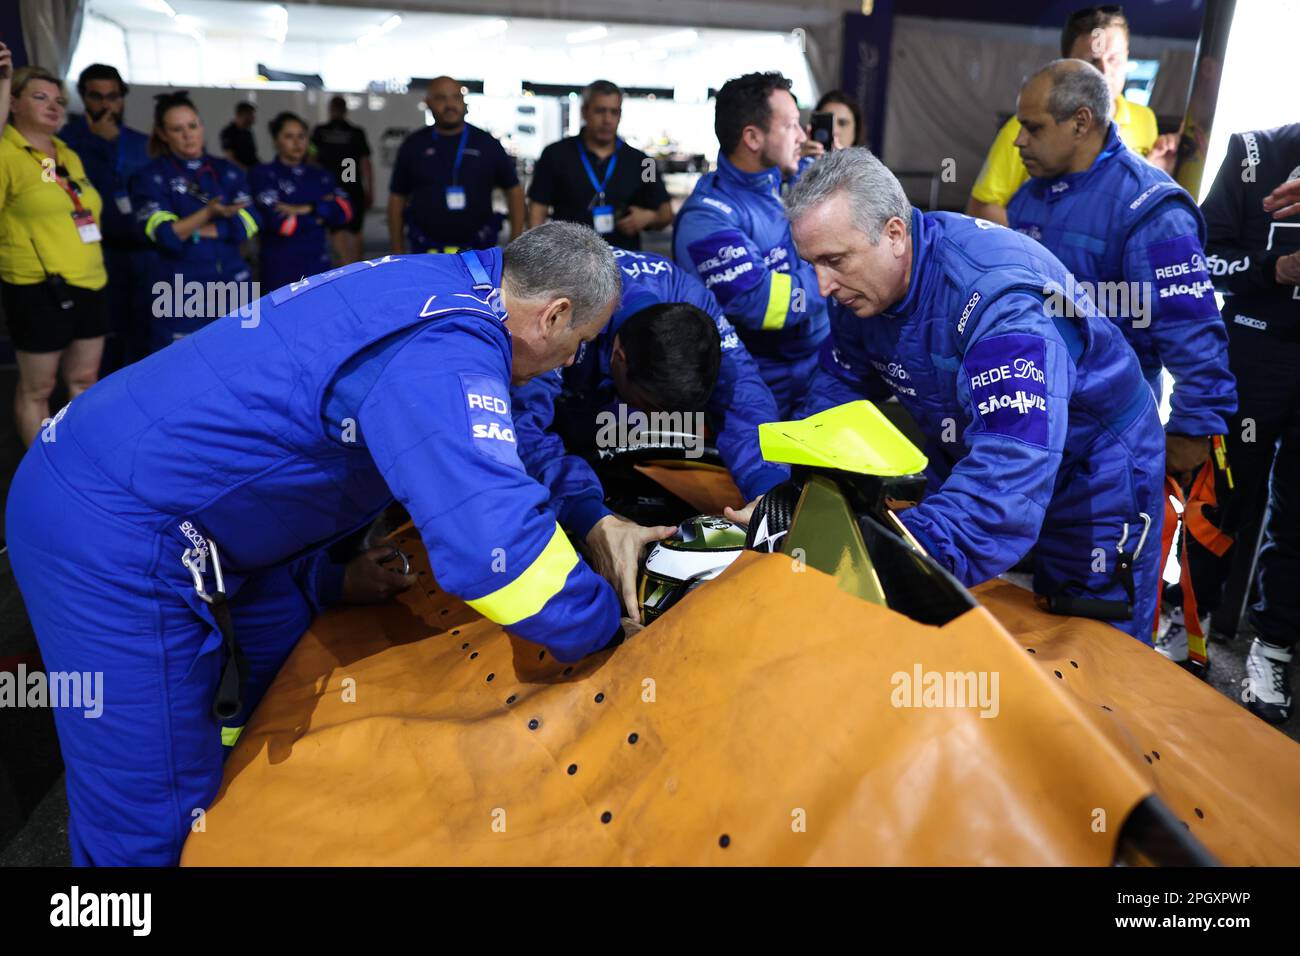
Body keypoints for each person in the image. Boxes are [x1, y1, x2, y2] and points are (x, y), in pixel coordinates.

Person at [6, 222, 629, 866]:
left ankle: (245, 814)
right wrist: (606, 626)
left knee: (285, 653)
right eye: (578, 344)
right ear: (553, 315)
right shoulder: (446, 347)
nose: (569, 364)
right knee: (150, 810)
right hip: (112, 527)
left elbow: (303, 436)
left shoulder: (442, 278)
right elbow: (494, 551)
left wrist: (330, 576)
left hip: (150, 476)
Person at [785, 148, 1166, 644]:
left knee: (1092, 647)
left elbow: (1003, 489)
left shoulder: (1000, 304)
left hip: (1096, 473)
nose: (822, 286)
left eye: (834, 261)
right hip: (976, 448)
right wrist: (788, 499)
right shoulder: (863, 288)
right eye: (812, 263)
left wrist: (883, 556)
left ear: (895, 235)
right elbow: (835, 392)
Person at [513, 248, 789, 612]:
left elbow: (744, 401)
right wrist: (589, 517)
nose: (657, 420)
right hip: (565, 411)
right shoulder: (564, 312)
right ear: (618, 357)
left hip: (612, 426)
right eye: (648, 407)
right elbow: (522, 430)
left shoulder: (690, 304)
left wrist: (768, 493)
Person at [1005, 63, 1235, 500]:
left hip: (1111, 436)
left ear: (1081, 122)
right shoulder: (1030, 196)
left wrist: (1192, 431)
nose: (1019, 140)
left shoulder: (1149, 208)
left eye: (1032, 128)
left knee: (1095, 565)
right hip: (1030, 424)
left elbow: (1191, 329)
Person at [1196, 123, 1300, 723]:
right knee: (1223, 494)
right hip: (1254, 352)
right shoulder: (1253, 150)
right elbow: (1204, 258)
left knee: (1299, 516)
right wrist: (1275, 269)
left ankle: (1274, 647)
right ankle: (1192, 623)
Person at [673, 71, 829, 418]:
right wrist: (836, 270)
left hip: (819, 370)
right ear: (753, 138)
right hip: (755, 384)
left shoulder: (789, 185)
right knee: (769, 472)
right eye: (791, 126)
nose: (803, 136)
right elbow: (763, 304)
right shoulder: (707, 219)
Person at [966, 6, 1177, 226]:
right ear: (1068, 65)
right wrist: (1039, 247)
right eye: (1092, 61)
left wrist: (1154, 172)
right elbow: (980, 207)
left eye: (1114, 59)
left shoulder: (1144, 119)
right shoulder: (1028, 126)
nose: (1104, 71)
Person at [0, 62, 108, 446]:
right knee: (38, 388)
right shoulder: (7, 154)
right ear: (12, 103)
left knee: (84, 380)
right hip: (38, 286)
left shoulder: (66, 153)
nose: (54, 107)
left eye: (59, 100)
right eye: (40, 97)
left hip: (90, 279)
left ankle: (81, 460)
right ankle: (41, 472)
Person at [132, 91, 260, 351]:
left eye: (192, 126)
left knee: (242, 360)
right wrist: (208, 214)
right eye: (177, 129)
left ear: (202, 126)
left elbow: (251, 220)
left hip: (234, 282)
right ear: (163, 134)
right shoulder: (149, 177)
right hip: (179, 289)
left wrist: (192, 228)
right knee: (183, 372)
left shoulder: (227, 170)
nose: (188, 135)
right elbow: (166, 236)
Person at [59, 63, 156, 372]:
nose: (106, 105)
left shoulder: (142, 144)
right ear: (83, 97)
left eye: (113, 97)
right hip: (95, 254)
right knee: (100, 342)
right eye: (96, 97)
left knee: (143, 334)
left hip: (142, 254)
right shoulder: (66, 143)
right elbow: (62, 187)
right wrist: (100, 142)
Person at [526, 79, 671, 251]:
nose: (607, 119)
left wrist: (649, 217)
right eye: (600, 111)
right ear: (584, 112)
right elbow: (537, 210)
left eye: (614, 112)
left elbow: (666, 212)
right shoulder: (554, 155)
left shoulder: (645, 163)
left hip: (623, 262)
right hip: (567, 262)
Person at [388, 76, 523, 254]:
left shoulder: (487, 143)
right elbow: (397, 197)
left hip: (478, 250)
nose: (450, 104)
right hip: (425, 249)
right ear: (427, 103)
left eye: (455, 97)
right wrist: (397, 249)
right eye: (441, 98)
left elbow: (514, 191)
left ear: (464, 102)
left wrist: (515, 243)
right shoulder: (414, 145)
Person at [251, 111, 352, 291]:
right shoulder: (262, 174)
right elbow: (283, 224)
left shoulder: (321, 175)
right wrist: (323, 213)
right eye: (289, 136)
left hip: (318, 271)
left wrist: (307, 208)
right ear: (276, 140)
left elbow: (346, 211)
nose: (297, 143)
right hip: (279, 273)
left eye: (301, 136)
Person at [310, 95, 372, 266]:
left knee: (337, 229)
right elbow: (366, 164)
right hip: (352, 186)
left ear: (331, 109)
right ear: (345, 111)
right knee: (354, 229)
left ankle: (347, 267)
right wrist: (369, 189)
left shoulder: (320, 132)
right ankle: (356, 268)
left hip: (331, 188)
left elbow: (311, 159)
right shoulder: (356, 132)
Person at [219, 100, 258, 171]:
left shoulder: (248, 133)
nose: (254, 119)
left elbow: (252, 156)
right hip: (237, 173)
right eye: (251, 115)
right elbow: (230, 158)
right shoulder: (228, 132)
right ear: (244, 115)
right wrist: (246, 170)